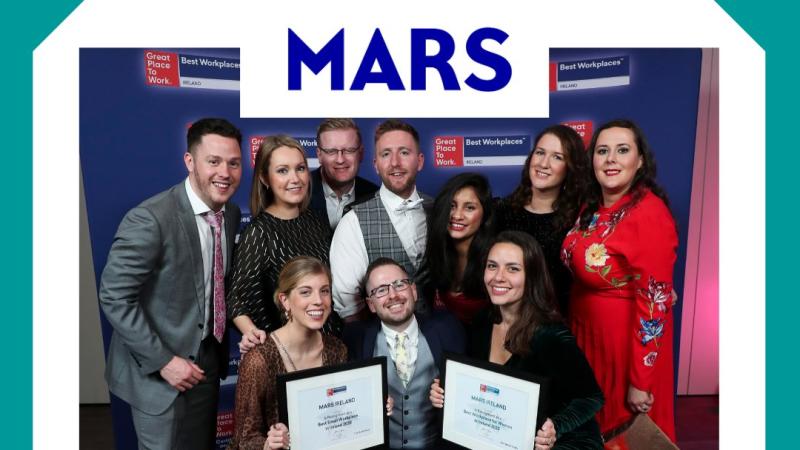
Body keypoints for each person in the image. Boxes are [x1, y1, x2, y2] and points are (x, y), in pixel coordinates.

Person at [98, 118, 243, 449]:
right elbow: (115, 297)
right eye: (214, 161)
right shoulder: (151, 218)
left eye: (233, 163)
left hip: (207, 361)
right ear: (190, 161)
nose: (225, 172)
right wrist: (164, 361)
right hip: (157, 371)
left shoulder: (230, 214)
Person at [430, 231, 604, 449]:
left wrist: (555, 427)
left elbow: (592, 397)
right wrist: (446, 389)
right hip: (508, 433)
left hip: (559, 440)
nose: (498, 277)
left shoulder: (550, 335)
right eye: (492, 266)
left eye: (512, 269)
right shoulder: (483, 320)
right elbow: (481, 383)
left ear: (531, 276)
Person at [561, 119, 678, 441]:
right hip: (589, 339)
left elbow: (654, 303)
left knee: (624, 436)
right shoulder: (593, 207)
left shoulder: (649, 214)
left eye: (622, 150)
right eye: (602, 151)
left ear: (640, 161)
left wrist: (640, 380)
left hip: (625, 351)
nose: (611, 159)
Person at [228, 135, 340, 354]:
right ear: (265, 178)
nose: (295, 178)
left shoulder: (316, 221)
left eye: (300, 168)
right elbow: (235, 300)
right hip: (290, 355)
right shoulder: (259, 233)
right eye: (282, 170)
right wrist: (253, 335)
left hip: (331, 347)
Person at [343, 258, 466, 450]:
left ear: (414, 291)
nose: (393, 295)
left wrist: (450, 396)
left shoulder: (448, 329)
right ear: (371, 304)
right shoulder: (354, 338)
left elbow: (466, 395)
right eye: (381, 290)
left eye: (399, 284)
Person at [228, 256, 348, 450]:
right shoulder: (259, 359)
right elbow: (243, 440)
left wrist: (376, 404)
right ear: (285, 301)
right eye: (305, 292)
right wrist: (268, 444)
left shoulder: (337, 349)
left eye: (324, 291)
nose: (318, 301)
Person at [331, 119, 431, 321]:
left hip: (439, 334)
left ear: (420, 161)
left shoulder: (438, 209)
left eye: (404, 152)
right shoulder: (353, 221)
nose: (395, 162)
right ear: (376, 165)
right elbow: (348, 305)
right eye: (386, 154)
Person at [496, 124, 587, 317]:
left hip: (556, 323)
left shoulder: (578, 220)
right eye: (540, 153)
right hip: (506, 320)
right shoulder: (502, 211)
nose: (544, 163)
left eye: (557, 157)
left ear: (570, 168)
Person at [422, 172, 494, 325]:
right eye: (452, 206)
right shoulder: (437, 252)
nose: (457, 215)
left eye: (469, 208)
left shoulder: (493, 259)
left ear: (484, 214)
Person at [310, 118, 379, 230]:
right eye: (331, 151)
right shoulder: (300, 191)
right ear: (319, 155)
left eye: (349, 150)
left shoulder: (375, 197)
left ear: (361, 153)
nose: (340, 160)